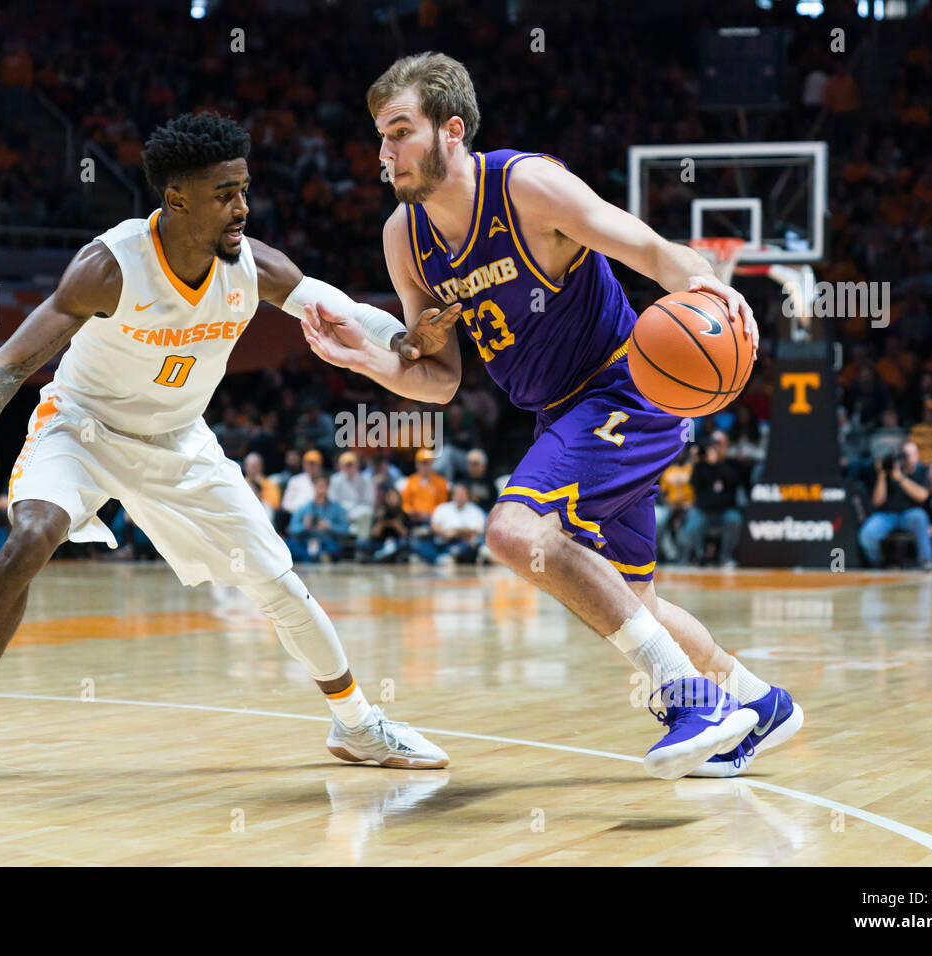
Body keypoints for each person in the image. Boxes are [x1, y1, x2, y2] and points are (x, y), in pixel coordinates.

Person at [0, 113, 446, 797]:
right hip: (81, 430)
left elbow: (338, 307)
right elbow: (8, 363)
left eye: (244, 189)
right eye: (225, 193)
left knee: (278, 585)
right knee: (29, 537)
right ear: (176, 200)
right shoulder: (109, 268)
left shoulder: (252, 267)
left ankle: (357, 724)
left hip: (180, 443)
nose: (242, 207)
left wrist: (404, 340)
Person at [302, 52, 799, 778]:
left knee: (511, 531)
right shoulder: (403, 240)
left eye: (400, 131)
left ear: (451, 131)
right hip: (559, 416)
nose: (385, 152)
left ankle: (688, 697)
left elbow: (653, 250)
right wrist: (371, 361)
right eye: (379, 135)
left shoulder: (529, 187)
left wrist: (710, 287)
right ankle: (759, 702)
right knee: (632, 601)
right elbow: (437, 378)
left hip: (624, 388)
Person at [858, 440, 932, 569]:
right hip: (886, 515)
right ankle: (877, 564)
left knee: (920, 517)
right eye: (905, 455)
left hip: (909, 515)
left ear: (917, 455)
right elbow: (877, 501)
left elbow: (922, 496)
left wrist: (900, 478)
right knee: (867, 534)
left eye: (911, 454)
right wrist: (882, 475)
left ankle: (926, 561)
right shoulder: (888, 471)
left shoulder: (921, 471)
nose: (908, 458)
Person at [681, 437, 744, 566]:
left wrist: (717, 464)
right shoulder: (701, 465)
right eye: (713, 443)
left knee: (734, 520)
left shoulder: (731, 463)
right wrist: (695, 462)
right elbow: (693, 483)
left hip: (725, 510)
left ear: (726, 445)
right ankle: (699, 556)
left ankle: (726, 557)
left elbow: (734, 480)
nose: (715, 447)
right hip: (703, 511)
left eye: (719, 443)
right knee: (692, 526)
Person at [286, 474, 349, 563]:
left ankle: (319, 557)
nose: (319, 489)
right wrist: (304, 526)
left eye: (322, 486)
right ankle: (314, 558)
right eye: (317, 486)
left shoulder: (337, 508)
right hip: (307, 542)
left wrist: (330, 526)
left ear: (327, 488)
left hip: (326, 542)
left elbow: (345, 529)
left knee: (335, 547)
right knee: (289, 544)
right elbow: (292, 529)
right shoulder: (304, 508)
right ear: (313, 487)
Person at [419, 481, 486, 565]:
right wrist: (444, 532)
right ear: (452, 495)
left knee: (472, 546)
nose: (459, 496)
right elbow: (434, 525)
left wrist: (457, 531)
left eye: (462, 494)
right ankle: (442, 558)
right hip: (442, 541)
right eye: (457, 493)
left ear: (468, 495)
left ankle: (445, 558)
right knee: (418, 544)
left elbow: (478, 530)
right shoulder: (443, 508)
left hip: (462, 542)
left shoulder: (475, 511)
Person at [327, 450, 375, 539]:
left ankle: (362, 545)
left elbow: (369, 502)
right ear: (341, 466)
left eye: (351, 465)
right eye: (346, 465)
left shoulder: (366, 479)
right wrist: (345, 513)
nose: (349, 468)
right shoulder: (335, 479)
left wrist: (352, 514)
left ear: (357, 465)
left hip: (359, 513)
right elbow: (333, 501)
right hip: (341, 512)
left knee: (367, 512)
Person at [400, 447, 448, 528]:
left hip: (433, 519)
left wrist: (429, 512)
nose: (424, 466)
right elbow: (405, 503)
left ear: (432, 463)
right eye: (422, 463)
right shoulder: (410, 481)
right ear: (416, 464)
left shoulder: (441, 482)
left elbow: (442, 504)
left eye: (427, 463)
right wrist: (412, 512)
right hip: (413, 519)